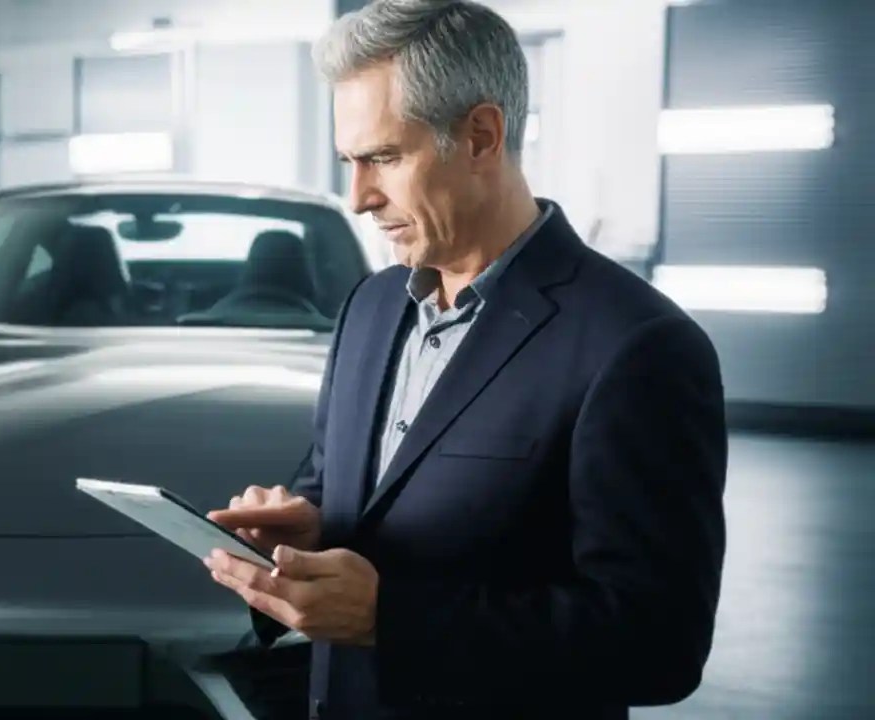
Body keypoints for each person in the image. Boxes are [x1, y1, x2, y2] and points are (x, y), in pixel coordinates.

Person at [202, 1, 729, 718]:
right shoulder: (372, 306)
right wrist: (311, 528)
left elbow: (658, 644)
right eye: (350, 162)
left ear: (481, 135)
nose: (359, 197)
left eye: (383, 157)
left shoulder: (638, 348)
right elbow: (336, 485)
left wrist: (393, 618)